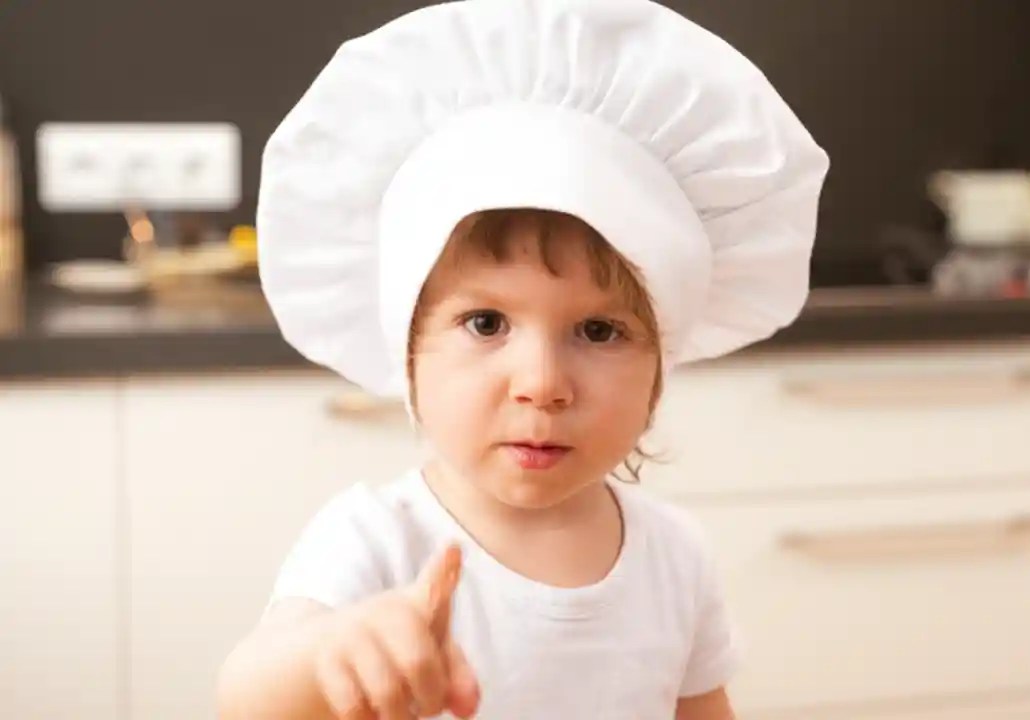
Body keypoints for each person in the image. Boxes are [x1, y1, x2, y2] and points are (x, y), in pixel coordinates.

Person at [215, 0, 828, 718]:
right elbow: (246, 697)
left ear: (661, 364)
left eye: (599, 332)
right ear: (406, 346)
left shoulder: (673, 555)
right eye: (486, 322)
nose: (542, 385)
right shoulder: (377, 541)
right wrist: (329, 654)